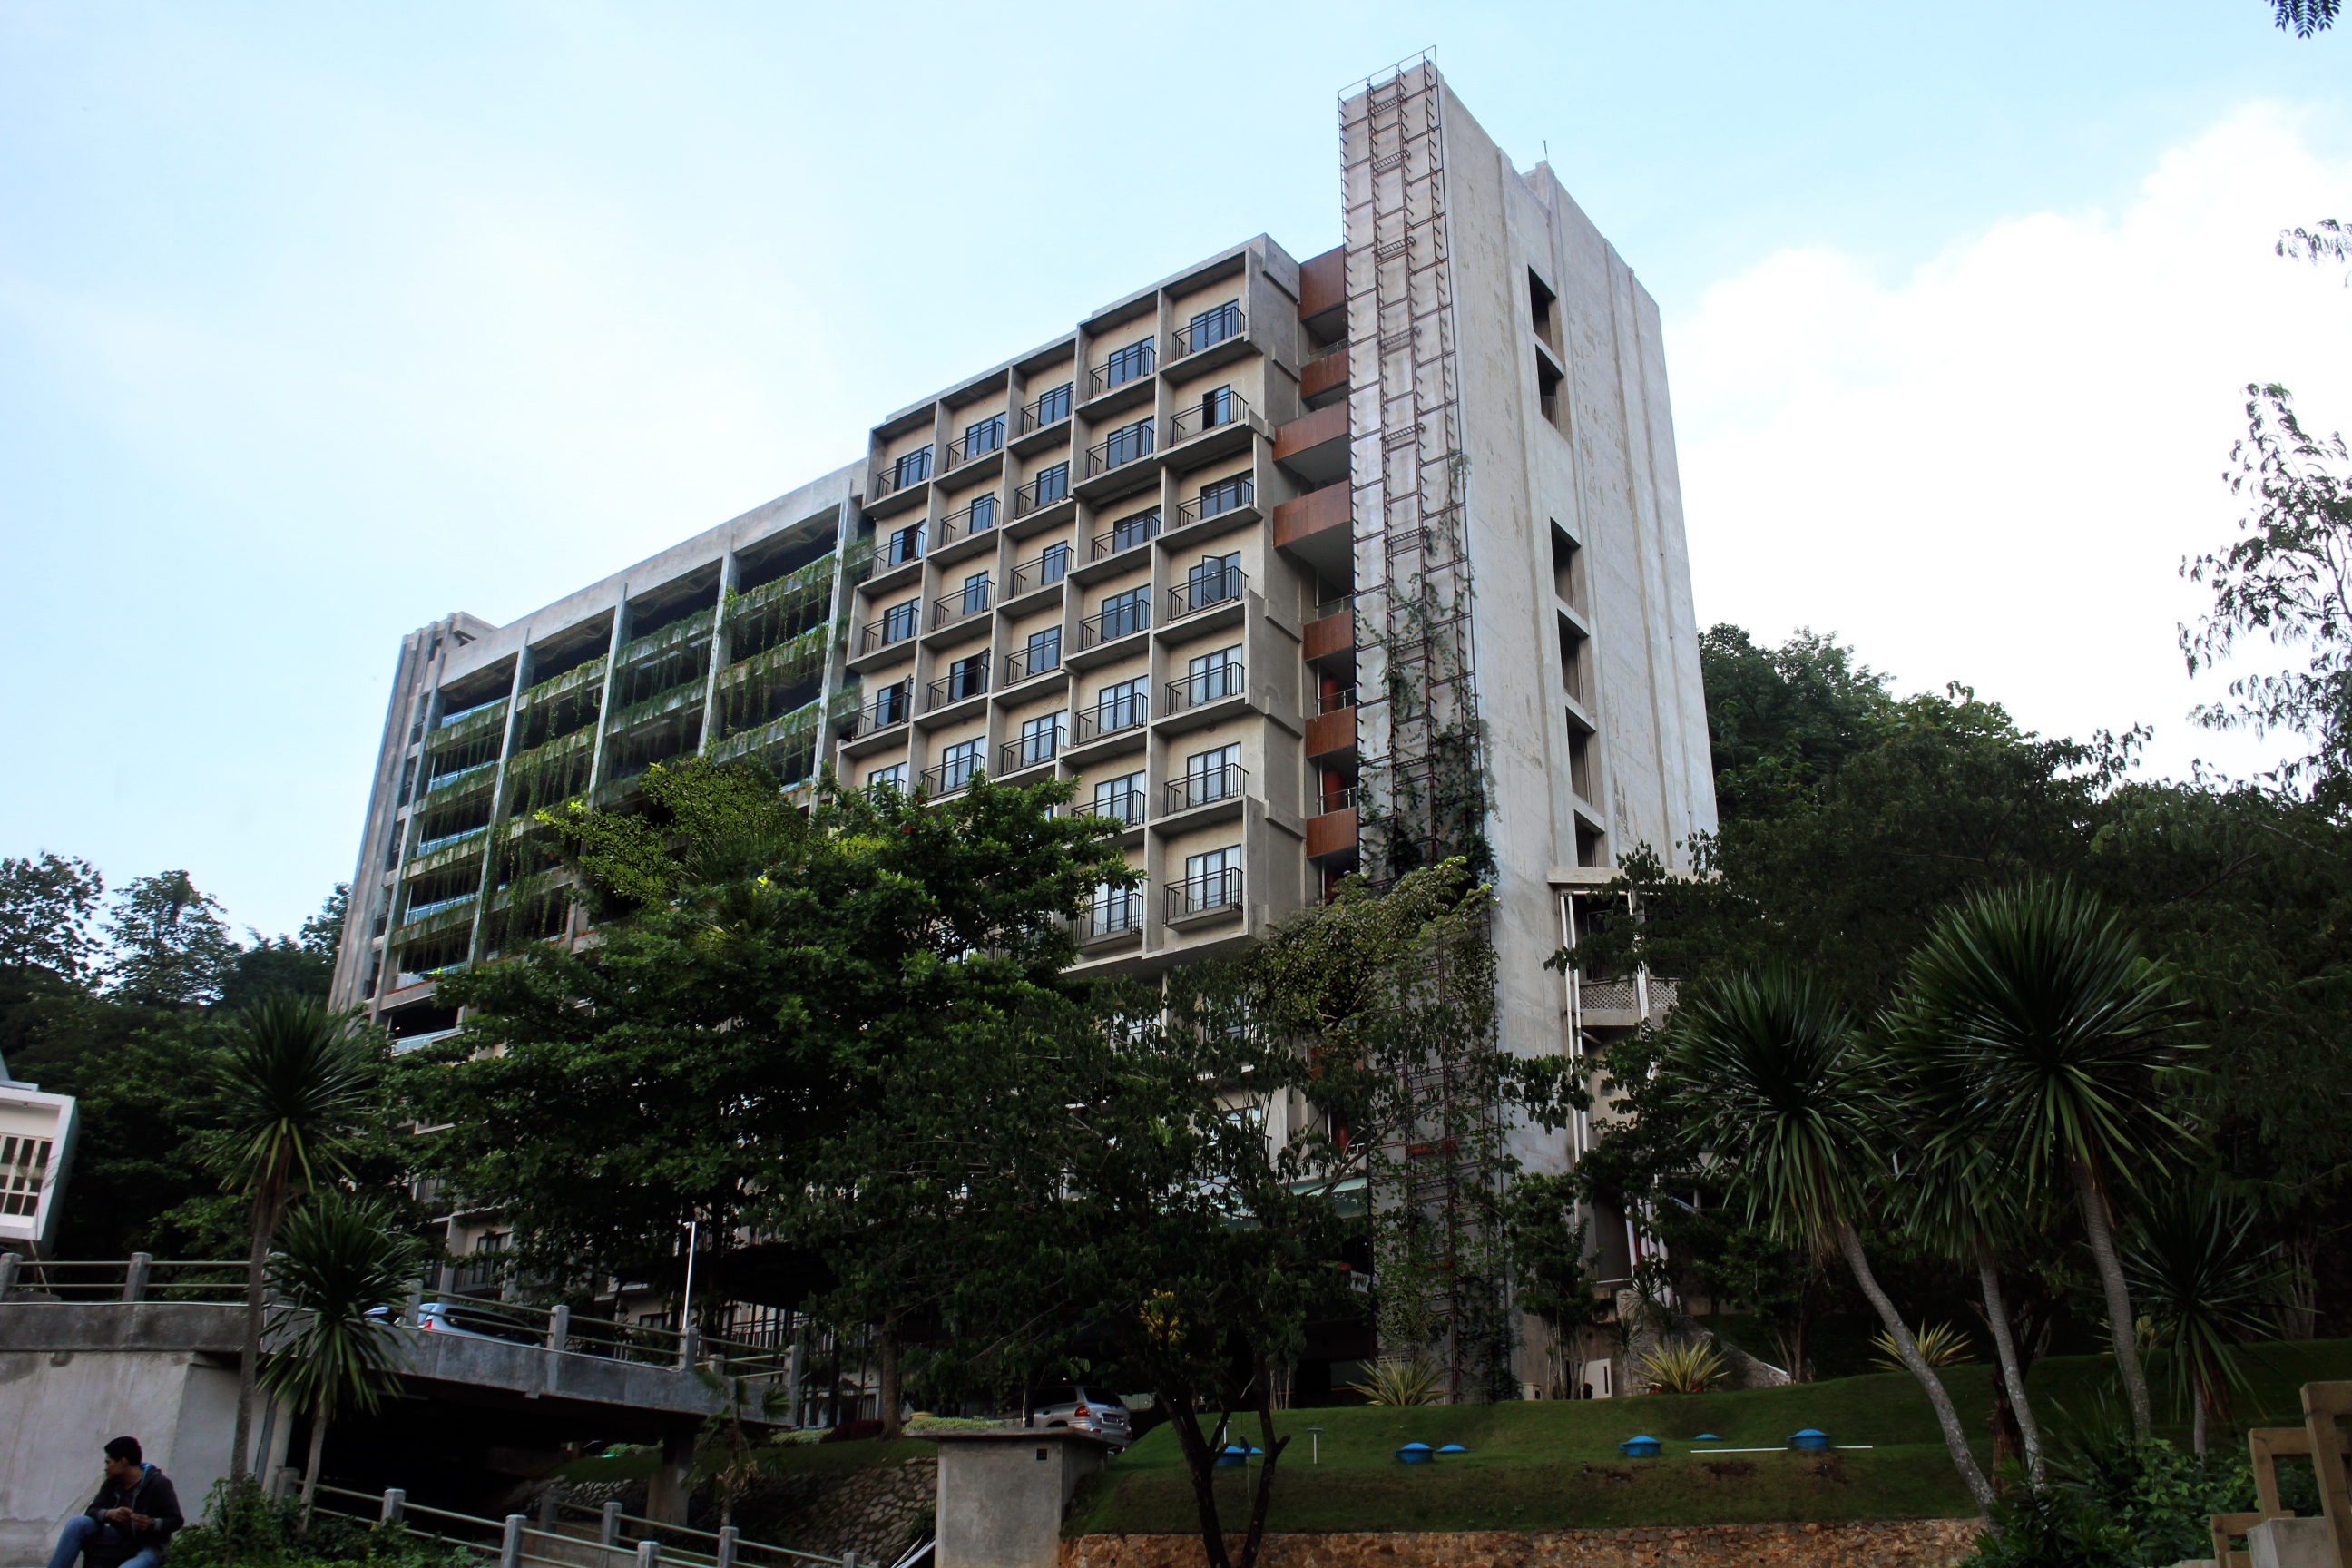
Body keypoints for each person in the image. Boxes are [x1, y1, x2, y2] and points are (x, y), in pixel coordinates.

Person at [48, 1437, 182, 1568]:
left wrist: (151, 1523)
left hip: (148, 1547)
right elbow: (92, 1511)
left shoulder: (158, 1483)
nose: (106, 1468)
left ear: (122, 1462)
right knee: (77, 1523)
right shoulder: (112, 1482)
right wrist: (108, 1514)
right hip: (119, 1541)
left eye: (108, 1462)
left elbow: (176, 1520)